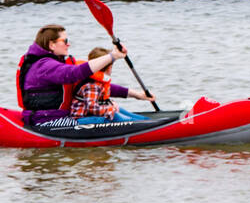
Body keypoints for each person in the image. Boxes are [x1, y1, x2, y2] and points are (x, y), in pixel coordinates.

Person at [16, 24, 153, 126]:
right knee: (108, 118)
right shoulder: (44, 66)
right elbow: (74, 74)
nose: (68, 44)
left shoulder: (58, 62)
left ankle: (152, 123)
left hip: (64, 115)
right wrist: (113, 56)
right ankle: (151, 129)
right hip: (47, 121)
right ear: (52, 45)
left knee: (118, 110)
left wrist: (137, 95)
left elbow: (96, 84)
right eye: (65, 41)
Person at [70, 47, 144, 123]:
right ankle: (139, 125)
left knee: (119, 110)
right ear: (109, 68)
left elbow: (101, 100)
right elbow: (92, 108)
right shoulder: (92, 86)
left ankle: (145, 121)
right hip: (82, 119)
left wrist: (111, 105)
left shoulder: (100, 81)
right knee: (113, 115)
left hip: (91, 115)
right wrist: (111, 109)